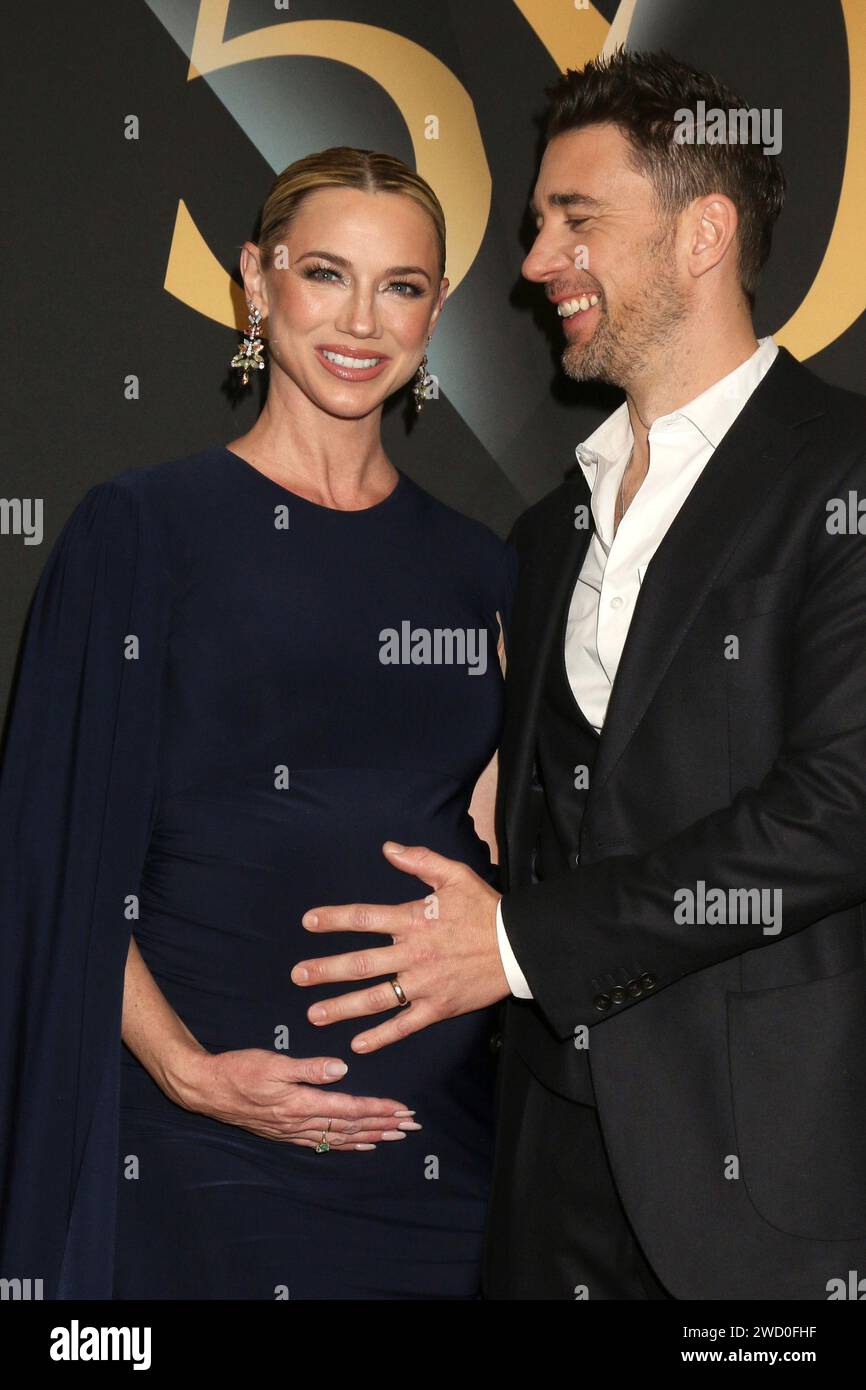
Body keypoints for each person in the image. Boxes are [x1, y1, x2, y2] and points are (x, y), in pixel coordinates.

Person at [290, 50, 866, 1300]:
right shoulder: (548, 534)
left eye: (575, 219)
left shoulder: (844, 470)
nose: (536, 262)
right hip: (545, 1172)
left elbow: (841, 810)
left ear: (703, 232)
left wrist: (511, 943)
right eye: (538, 225)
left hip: (763, 1180)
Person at [0, 146, 516, 1300]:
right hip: (195, 1153)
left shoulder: (484, 572)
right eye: (325, 273)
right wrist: (188, 1075)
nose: (361, 319)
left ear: (436, 310)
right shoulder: (140, 532)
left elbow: (519, 848)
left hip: (438, 1160)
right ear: (255, 280)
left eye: (401, 285)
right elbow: (50, 857)